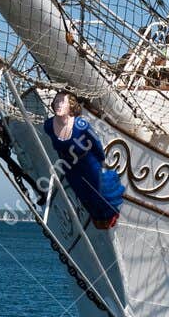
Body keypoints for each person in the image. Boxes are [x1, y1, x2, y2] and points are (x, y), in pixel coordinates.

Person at [42, 91, 125, 229]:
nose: (58, 104)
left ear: (71, 106)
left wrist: (101, 159)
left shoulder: (81, 124)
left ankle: (110, 214)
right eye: (56, 101)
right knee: (82, 194)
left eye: (62, 102)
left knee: (97, 191)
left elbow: (95, 142)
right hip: (69, 166)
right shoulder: (49, 125)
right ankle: (97, 218)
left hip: (87, 162)